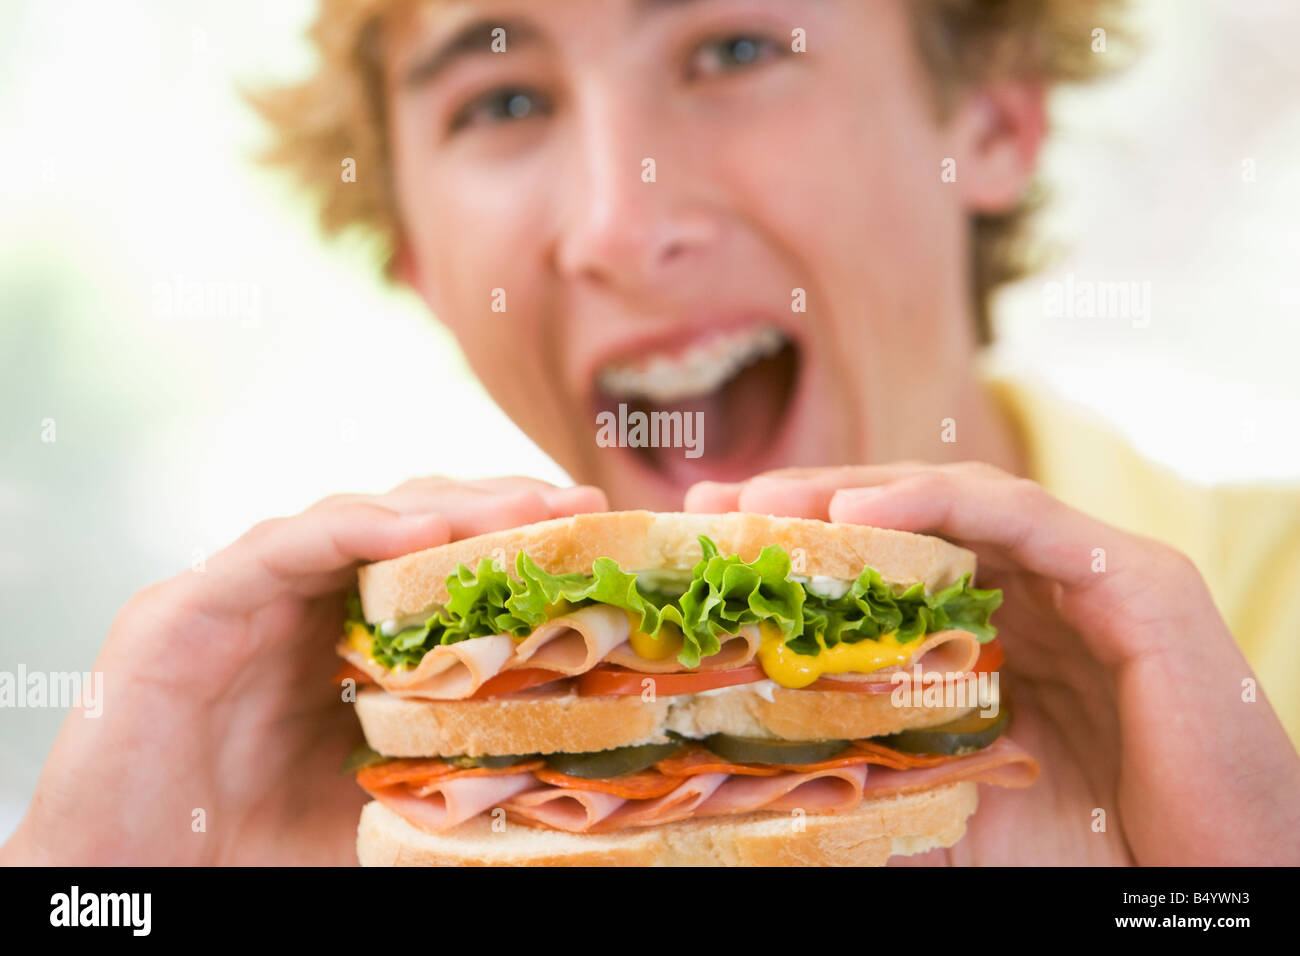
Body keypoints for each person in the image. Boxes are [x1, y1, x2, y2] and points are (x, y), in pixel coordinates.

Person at [4, 0, 1298, 865]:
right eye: (503, 103)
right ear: (412, 253)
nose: (618, 228)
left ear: (992, 126)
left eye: (734, 49)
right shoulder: (291, 785)